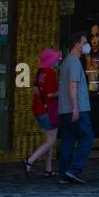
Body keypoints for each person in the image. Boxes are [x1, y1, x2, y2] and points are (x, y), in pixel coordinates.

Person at [57, 32, 94, 184]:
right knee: (87, 138)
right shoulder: (74, 62)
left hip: (64, 109)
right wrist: (76, 108)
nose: (87, 45)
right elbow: (73, 86)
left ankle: (64, 174)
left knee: (68, 140)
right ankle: (73, 169)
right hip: (76, 108)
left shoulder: (66, 62)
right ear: (78, 44)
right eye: (85, 42)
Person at [23, 48, 61, 179]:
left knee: (48, 141)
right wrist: (63, 91)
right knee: (51, 141)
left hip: (38, 109)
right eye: (56, 59)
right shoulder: (50, 72)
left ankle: (48, 169)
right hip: (48, 110)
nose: (57, 61)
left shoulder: (39, 72)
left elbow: (38, 90)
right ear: (51, 60)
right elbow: (51, 94)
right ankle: (29, 161)